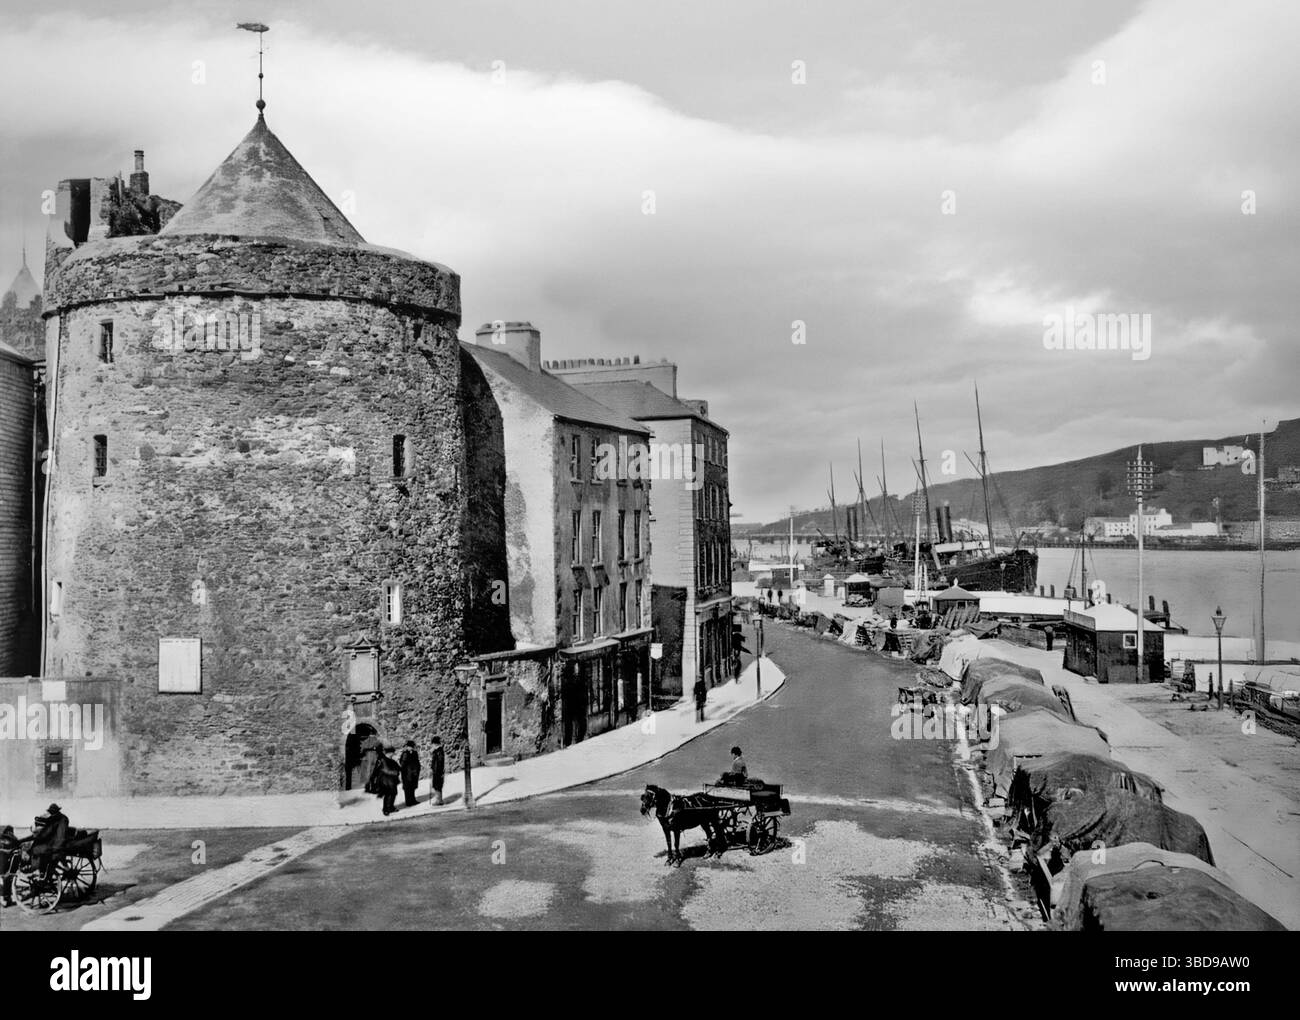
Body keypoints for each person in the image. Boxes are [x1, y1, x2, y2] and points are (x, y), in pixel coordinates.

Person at [30, 804, 69, 883]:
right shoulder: (55, 817)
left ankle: (42, 873)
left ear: (56, 811)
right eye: (50, 811)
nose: (51, 813)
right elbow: (48, 824)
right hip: (53, 841)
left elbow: (60, 835)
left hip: (57, 843)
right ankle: (42, 872)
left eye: (52, 811)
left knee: (39, 850)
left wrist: (56, 847)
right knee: (36, 846)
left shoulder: (62, 819)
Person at [373, 746, 401, 815]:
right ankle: (385, 809)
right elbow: (386, 770)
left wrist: (399, 766)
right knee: (388, 795)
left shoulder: (392, 760)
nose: (393, 754)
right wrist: (395, 772)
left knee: (393, 794)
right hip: (385, 781)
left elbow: (398, 767)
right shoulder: (383, 760)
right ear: (389, 753)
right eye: (392, 753)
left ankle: (391, 807)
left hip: (392, 781)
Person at [399, 740, 421, 807]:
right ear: (407, 747)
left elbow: (417, 761)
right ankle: (408, 802)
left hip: (414, 773)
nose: (411, 748)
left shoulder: (415, 753)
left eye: (412, 747)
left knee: (413, 787)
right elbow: (402, 763)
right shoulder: (405, 753)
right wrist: (406, 771)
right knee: (407, 788)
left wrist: (417, 769)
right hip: (407, 774)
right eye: (409, 747)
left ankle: (413, 800)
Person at [0, 825, 18, 906]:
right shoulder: (10, 841)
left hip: (6, 862)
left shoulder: (6, 842)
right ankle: (5, 899)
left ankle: (7, 898)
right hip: (4, 862)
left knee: (7, 879)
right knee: (5, 879)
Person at [429, 735, 446, 806]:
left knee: (437, 785)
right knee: (436, 785)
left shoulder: (438, 751)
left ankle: (439, 800)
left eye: (432, 744)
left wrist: (434, 770)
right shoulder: (437, 751)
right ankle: (439, 799)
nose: (432, 745)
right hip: (437, 771)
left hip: (437, 771)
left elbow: (439, 763)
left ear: (435, 744)